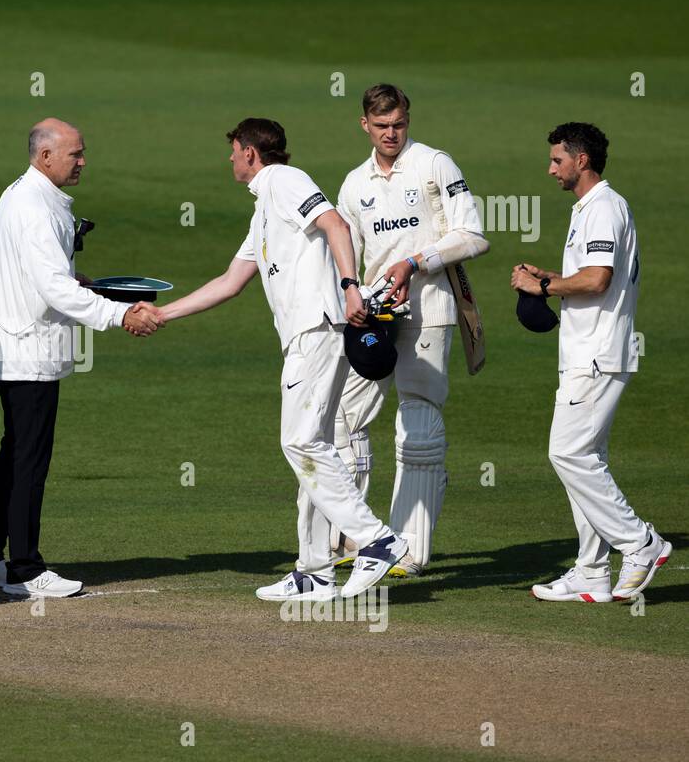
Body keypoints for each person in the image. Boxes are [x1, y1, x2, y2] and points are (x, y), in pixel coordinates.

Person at [157, 118, 406, 601]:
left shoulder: (285, 181)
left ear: (250, 153)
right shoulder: (263, 209)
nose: (229, 159)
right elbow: (229, 282)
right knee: (313, 447)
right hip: (303, 338)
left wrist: (351, 287)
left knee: (300, 443)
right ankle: (313, 569)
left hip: (317, 330)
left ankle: (376, 539)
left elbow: (336, 224)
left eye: (233, 151)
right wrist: (161, 314)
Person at [0, 118, 162, 599]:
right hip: (25, 349)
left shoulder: (25, 195)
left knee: (15, 453)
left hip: (16, 345)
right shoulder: (33, 206)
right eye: (75, 154)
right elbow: (50, 285)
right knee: (28, 458)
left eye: (82, 152)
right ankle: (25, 569)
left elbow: (12, 262)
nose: (82, 161)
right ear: (45, 156)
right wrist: (120, 316)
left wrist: (74, 281)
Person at [326, 84, 489, 578]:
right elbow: (344, 253)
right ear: (365, 126)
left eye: (398, 124)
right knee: (342, 422)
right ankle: (354, 540)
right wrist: (350, 295)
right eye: (381, 126)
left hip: (431, 308)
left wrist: (415, 262)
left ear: (407, 120)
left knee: (417, 427)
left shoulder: (435, 164)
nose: (391, 133)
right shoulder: (355, 183)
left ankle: (409, 551)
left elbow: (474, 236)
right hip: (376, 315)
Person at [511, 122, 671, 602]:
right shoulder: (591, 209)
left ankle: (640, 542)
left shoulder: (603, 207)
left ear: (582, 160)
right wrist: (554, 277)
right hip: (589, 351)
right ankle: (591, 571)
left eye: (557, 159)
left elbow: (598, 280)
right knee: (587, 458)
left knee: (568, 454)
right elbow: (591, 276)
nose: (551, 168)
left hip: (596, 355)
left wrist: (542, 288)